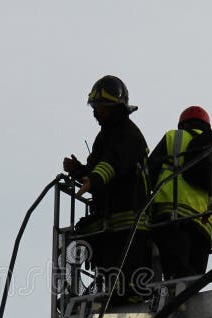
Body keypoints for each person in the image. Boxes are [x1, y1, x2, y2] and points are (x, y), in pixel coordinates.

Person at [62, 75, 152, 301]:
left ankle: (127, 296)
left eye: (101, 107)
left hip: (130, 220)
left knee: (128, 285)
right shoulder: (105, 136)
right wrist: (79, 171)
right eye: (95, 107)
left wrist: (93, 179)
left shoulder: (129, 134)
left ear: (116, 107)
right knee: (108, 274)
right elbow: (98, 171)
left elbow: (112, 163)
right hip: (109, 221)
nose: (96, 112)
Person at [147, 106, 212, 280]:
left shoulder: (174, 137)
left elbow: (148, 172)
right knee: (193, 282)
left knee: (173, 278)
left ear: (183, 124)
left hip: (173, 216)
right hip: (205, 225)